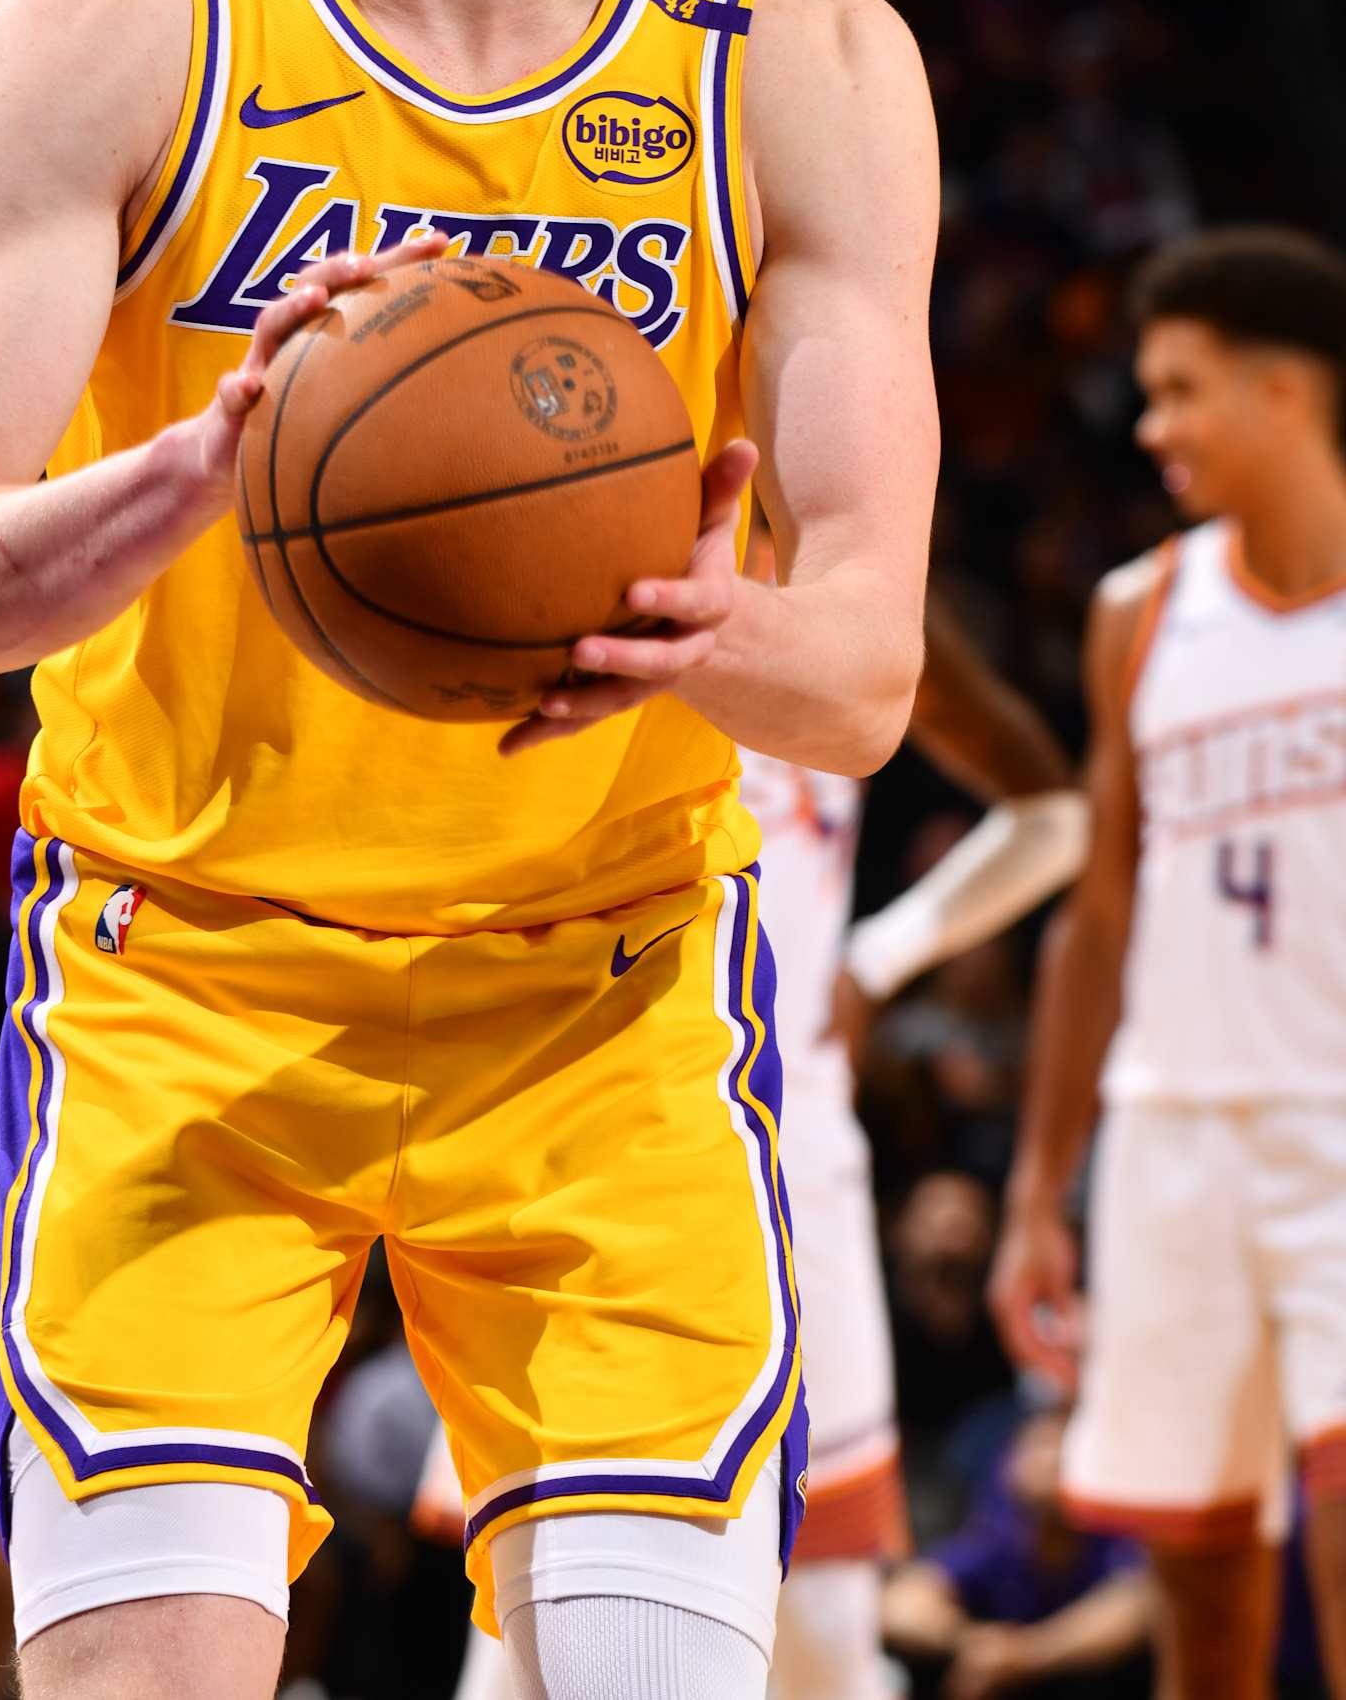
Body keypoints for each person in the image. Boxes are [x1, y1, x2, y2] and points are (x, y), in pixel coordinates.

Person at [0, 0, 941, 1700]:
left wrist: (659, 621)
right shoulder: (124, 14)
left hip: (604, 988)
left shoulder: (795, 58)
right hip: (185, 970)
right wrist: (193, 469)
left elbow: (856, 669)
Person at [418, 575, 1085, 1700]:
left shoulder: (851, 601)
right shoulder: (562, 552)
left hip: (786, 1156)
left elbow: (1054, 814)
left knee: (818, 1625)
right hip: (581, 1132)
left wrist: (876, 960)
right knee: (539, 1613)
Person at [989, 228, 1346, 1700]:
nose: (1151, 429)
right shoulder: (1140, 614)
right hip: (1171, 1136)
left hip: (1337, 1125)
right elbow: (1102, 906)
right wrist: (1036, 1189)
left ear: (1284, 394)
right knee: (1201, 1597)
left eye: (1181, 391)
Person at [882, 1405, 1152, 1700]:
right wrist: (968, 1640)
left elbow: (1134, 1609)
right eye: (1037, 1447)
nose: (1049, 1460)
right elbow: (900, 1604)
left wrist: (1029, 1653)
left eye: (1062, 1448)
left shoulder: (1116, 1536)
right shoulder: (996, 1538)